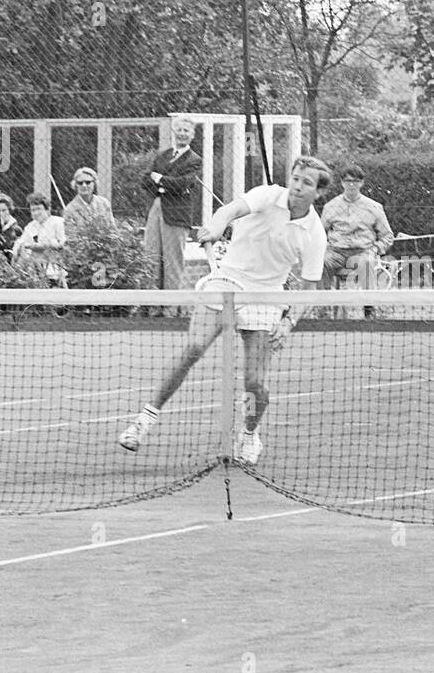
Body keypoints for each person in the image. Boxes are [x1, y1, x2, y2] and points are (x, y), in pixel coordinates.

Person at [118, 156, 331, 465]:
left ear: (318, 193)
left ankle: (249, 435)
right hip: (226, 281)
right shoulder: (268, 194)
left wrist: (288, 323)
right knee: (193, 347)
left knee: (254, 381)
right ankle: (142, 423)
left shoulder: (314, 233)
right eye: (296, 178)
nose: (297, 186)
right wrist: (217, 227)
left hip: (266, 297)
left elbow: (309, 288)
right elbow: (230, 210)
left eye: (306, 183)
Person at [142, 115, 203, 308]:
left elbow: (184, 183)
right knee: (151, 257)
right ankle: (152, 307)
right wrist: (165, 184)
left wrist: (159, 179)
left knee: (172, 261)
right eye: (179, 130)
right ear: (174, 132)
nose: (182, 134)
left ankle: (170, 309)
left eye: (186, 130)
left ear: (192, 135)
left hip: (177, 214)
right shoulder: (163, 156)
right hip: (157, 208)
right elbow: (145, 180)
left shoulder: (194, 160)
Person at [320, 164, 394, 310]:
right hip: (336, 252)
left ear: (361, 183)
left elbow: (388, 236)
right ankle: (323, 309)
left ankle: (369, 309)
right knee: (321, 262)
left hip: (363, 251)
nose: (351, 184)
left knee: (366, 263)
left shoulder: (374, 207)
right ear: (342, 183)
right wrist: (323, 248)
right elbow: (320, 233)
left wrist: (375, 249)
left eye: (355, 181)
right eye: (347, 181)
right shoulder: (330, 206)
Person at [13, 192, 67, 285]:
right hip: (35, 266)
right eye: (33, 210)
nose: (36, 213)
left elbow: (63, 243)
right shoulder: (30, 226)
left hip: (55, 263)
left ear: (47, 209)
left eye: (39, 209)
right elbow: (22, 244)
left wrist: (47, 245)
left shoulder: (58, 222)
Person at [64, 167, 114, 236]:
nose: (84, 186)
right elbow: (71, 237)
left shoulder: (104, 203)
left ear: (94, 183)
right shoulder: (69, 210)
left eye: (88, 182)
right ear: (75, 185)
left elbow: (112, 229)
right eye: (80, 183)